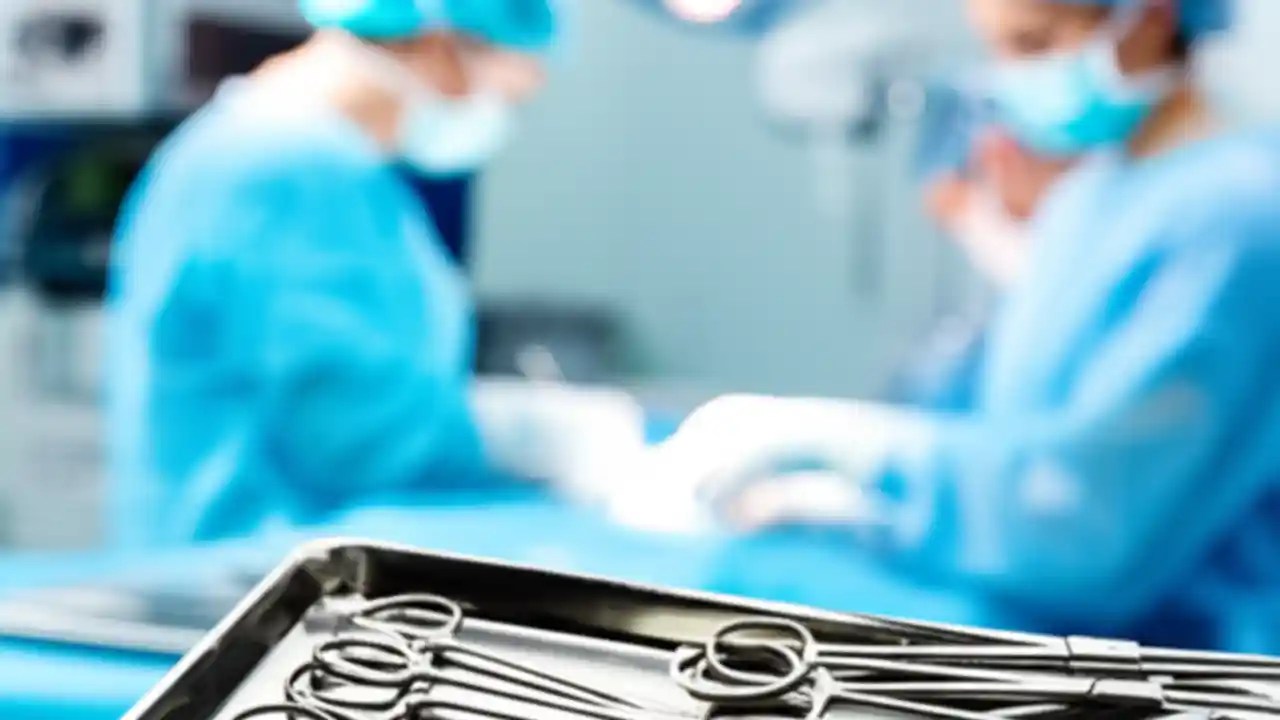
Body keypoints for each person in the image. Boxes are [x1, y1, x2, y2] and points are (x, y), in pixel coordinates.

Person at [618, 0, 1280, 649]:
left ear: (1154, 20)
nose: (1008, 77)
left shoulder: (1241, 215)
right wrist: (851, 502)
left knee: (734, 596)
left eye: (1033, 43)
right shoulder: (1092, 194)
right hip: (1029, 582)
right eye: (995, 45)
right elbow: (1004, 427)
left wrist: (868, 457)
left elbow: (1091, 525)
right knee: (733, 567)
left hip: (1165, 655)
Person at [107, 0, 572, 547]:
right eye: (508, 93)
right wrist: (534, 442)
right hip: (257, 564)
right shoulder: (288, 169)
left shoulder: (275, 155)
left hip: (249, 555)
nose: (498, 114)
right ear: (443, 48)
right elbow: (353, 428)